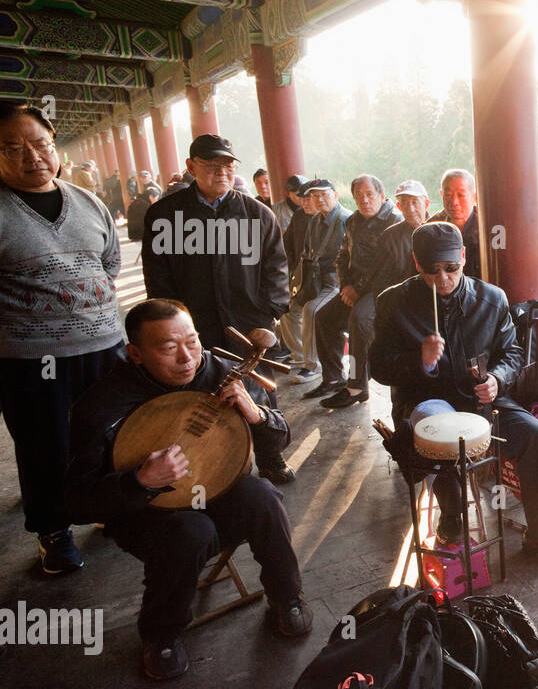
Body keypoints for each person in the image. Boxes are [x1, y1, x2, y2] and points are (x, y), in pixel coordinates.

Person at [65, 299, 312, 681]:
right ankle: (160, 635)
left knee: (262, 496)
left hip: (217, 492)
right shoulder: (101, 405)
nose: (186, 358)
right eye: (168, 348)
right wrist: (139, 481)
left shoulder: (222, 372)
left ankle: (287, 596)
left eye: (192, 342)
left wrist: (257, 415)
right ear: (135, 354)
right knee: (192, 530)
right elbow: (79, 503)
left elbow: (277, 443)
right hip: (144, 515)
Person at [370, 222, 538, 568]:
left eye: (451, 268)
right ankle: (452, 516)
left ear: (464, 258)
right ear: (416, 262)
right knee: (444, 433)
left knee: (536, 434)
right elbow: (378, 367)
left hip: (481, 400)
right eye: (431, 270)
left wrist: (498, 378)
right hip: (424, 400)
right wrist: (419, 360)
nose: (443, 278)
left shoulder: (491, 298)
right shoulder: (394, 302)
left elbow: (512, 353)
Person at [0, 101, 125, 574]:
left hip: (104, 347)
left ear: (55, 146)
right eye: (14, 148)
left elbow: (110, 262)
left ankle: (108, 505)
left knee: (109, 433)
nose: (33, 157)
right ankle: (53, 531)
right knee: (45, 443)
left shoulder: (89, 202)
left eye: (41, 144)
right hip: (31, 358)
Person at [140, 133, 294, 484]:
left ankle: (270, 456)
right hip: (193, 326)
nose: (221, 171)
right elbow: (157, 277)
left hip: (249, 325)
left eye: (228, 165)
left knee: (259, 393)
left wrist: (270, 315)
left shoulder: (257, 213)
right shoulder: (166, 215)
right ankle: (209, 465)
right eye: (211, 165)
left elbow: (277, 269)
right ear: (191, 167)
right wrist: (171, 324)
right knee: (199, 394)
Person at [310, 174, 402, 408]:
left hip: (383, 289)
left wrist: (357, 290)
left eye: (369, 194)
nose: (365, 200)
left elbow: (385, 267)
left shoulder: (393, 220)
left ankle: (357, 386)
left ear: (381, 195)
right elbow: (342, 255)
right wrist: (345, 287)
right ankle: (333, 377)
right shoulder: (353, 221)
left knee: (359, 319)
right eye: (359, 196)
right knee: (323, 317)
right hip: (355, 288)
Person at [282, 178, 348, 384]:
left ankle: (313, 366)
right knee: (286, 307)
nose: (319, 199)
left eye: (324, 195)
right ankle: (300, 355)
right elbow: (305, 253)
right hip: (314, 280)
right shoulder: (314, 219)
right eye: (315, 195)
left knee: (311, 310)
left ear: (335, 195)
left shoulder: (346, 219)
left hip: (335, 281)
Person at [426, 169, 481, 280]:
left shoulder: (486, 226)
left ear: (475, 198)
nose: (454, 201)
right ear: (441, 194)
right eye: (448, 195)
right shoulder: (432, 228)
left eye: (461, 195)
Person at [377, 179, 430, 294]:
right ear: (399, 206)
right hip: (401, 296)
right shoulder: (389, 237)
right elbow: (382, 280)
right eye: (404, 203)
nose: (410, 209)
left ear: (426, 204)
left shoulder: (441, 231)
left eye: (415, 202)